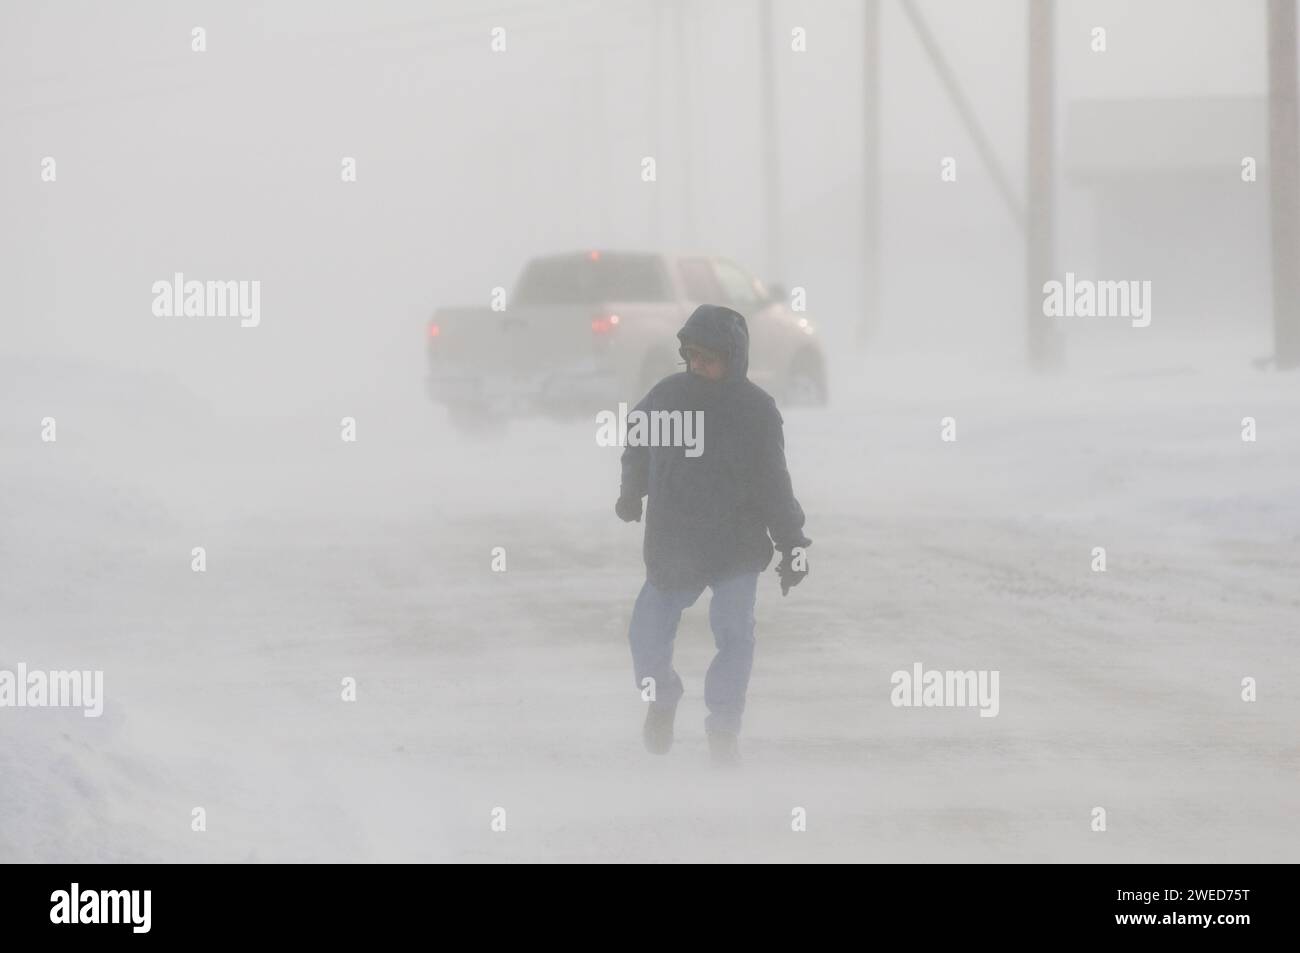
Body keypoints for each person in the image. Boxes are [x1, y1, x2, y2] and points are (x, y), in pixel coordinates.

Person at [615, 303, 811, 766]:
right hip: (674, 544)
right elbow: (637, 446)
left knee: (734, 634)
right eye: (691, 356)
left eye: (708, 357)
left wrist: (792, 543)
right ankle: (661, 698)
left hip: (735, 547)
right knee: (645, 636)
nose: (698, 365)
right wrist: (631, 491)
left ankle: (723, 729)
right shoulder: (666, 398)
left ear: (733, 357)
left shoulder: (755, 412)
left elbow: (773, 483)